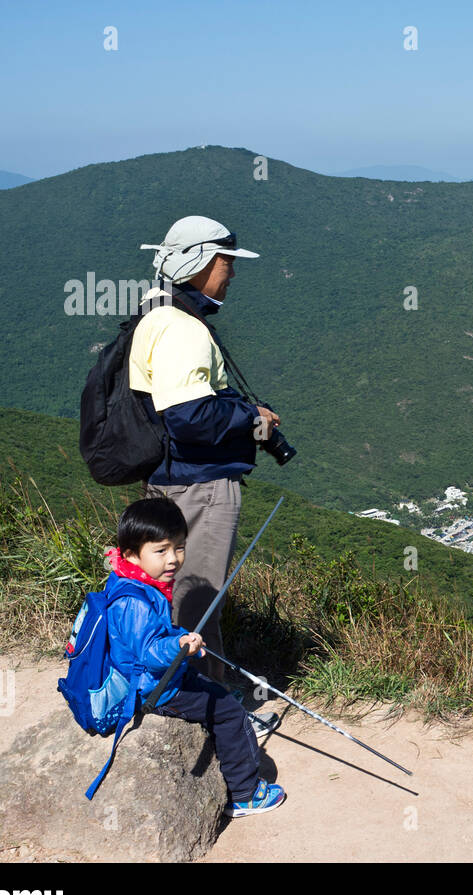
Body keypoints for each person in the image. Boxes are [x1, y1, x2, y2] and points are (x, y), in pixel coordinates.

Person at [131, 215, 281, 736]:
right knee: (197, 598)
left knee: (185, 595)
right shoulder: (183, 328)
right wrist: (252, 419)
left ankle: (202, 693)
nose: (231, 274)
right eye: (225, 263)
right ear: (196, 263)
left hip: (171, 479)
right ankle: (213, 711)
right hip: (198, 485)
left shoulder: (156, 314)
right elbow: (187, 416)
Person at [105, 496, 285, 817]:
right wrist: (178, 646)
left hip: (152, 678)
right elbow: (148, 653)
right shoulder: (135, 601)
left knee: (214, 692)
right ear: (131, 554)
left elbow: (150, 638)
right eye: (161, 551)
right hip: (154, 687)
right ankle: (244, 792)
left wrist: (179, 638)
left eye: (179, 547)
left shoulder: (132, 581)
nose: (173, 559)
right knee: (230, 712)